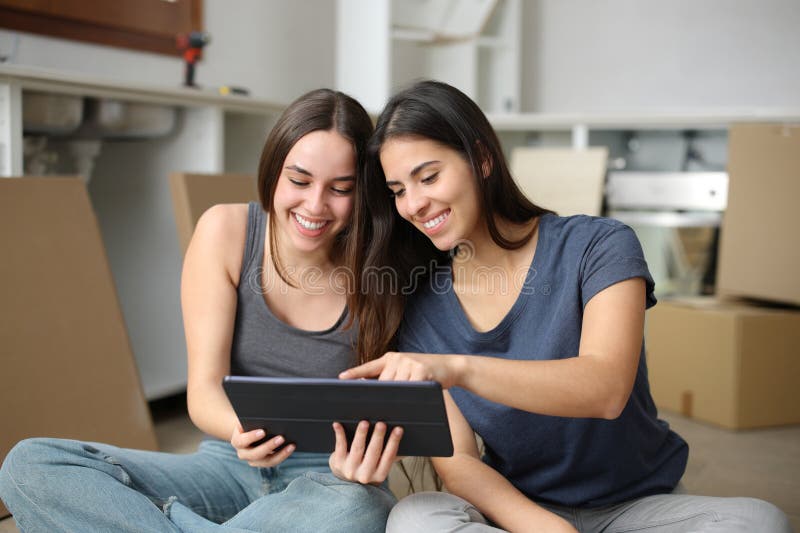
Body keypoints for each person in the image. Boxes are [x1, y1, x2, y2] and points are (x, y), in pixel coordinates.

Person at [341, 80, 792, 532]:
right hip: (522, 512)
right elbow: (459, 463)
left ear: (482, 159)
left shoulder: (598, 245)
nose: (414, 204)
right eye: (398, 189)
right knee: (416, 518)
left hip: (638, 508)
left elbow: (605, 388)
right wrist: (550, 530)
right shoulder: (422, 304)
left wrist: (457, 368)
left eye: (429, 176)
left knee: (761, 522)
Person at [0, 88, 397, 532]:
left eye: (339, 189)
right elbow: (204, 390)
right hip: (227, 464)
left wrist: (362, 460)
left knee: (363, 510)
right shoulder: (226, 231)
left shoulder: (380, 264)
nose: (315, 205)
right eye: (299, 181)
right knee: (31, 465)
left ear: (361, 191)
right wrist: (238, 431)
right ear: (273, 172)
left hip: (326, 479)